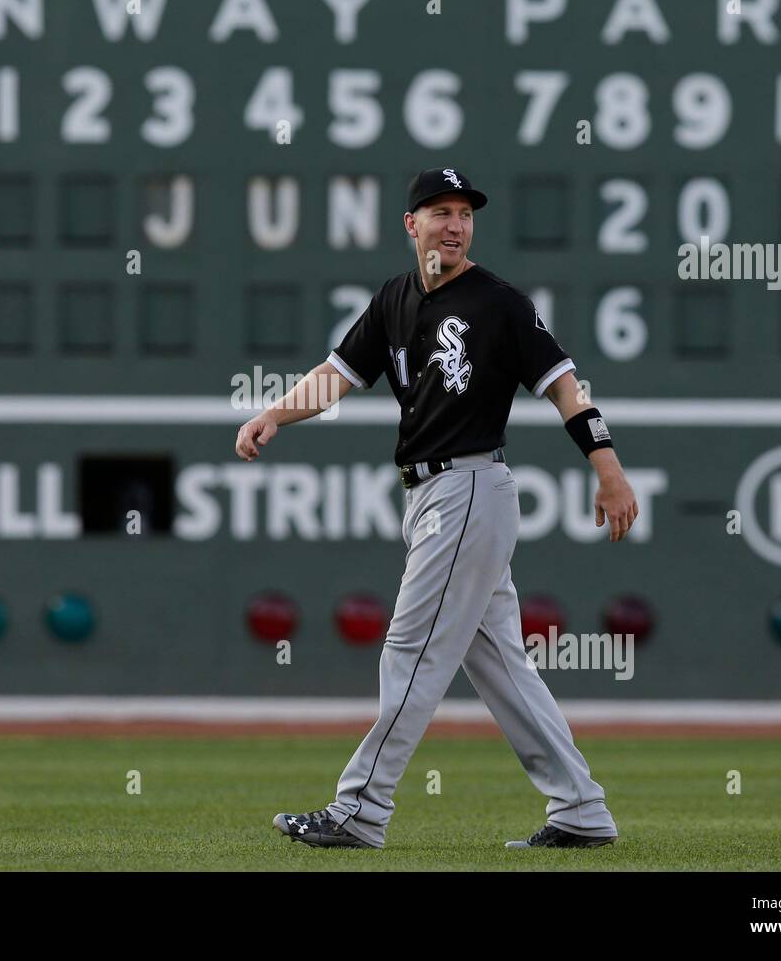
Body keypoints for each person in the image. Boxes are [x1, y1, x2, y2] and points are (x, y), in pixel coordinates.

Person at [234, 167, 639, 850]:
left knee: (411, 652)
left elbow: (567, 389)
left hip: (469, 489)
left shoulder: (499, 302)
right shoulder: (395, 297)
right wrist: (275, 412)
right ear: (410, 224)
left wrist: (609, 468)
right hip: (430, 495)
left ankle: (360, 810)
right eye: (440, 210)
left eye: (465, 213)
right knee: (503, 668)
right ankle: (581, 810)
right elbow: (338, 373)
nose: (454, 224)